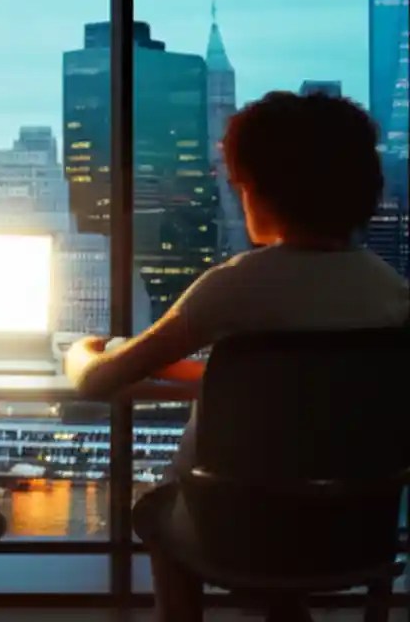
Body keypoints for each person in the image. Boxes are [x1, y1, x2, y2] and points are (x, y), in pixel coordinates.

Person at [63, 91, 410, 622]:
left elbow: (101, 381)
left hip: (235, 525)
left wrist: (81, 352)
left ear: (260, 192)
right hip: (357, 528)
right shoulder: (393, 294)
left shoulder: (232, 288)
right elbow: (310, 383)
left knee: (155, 511)